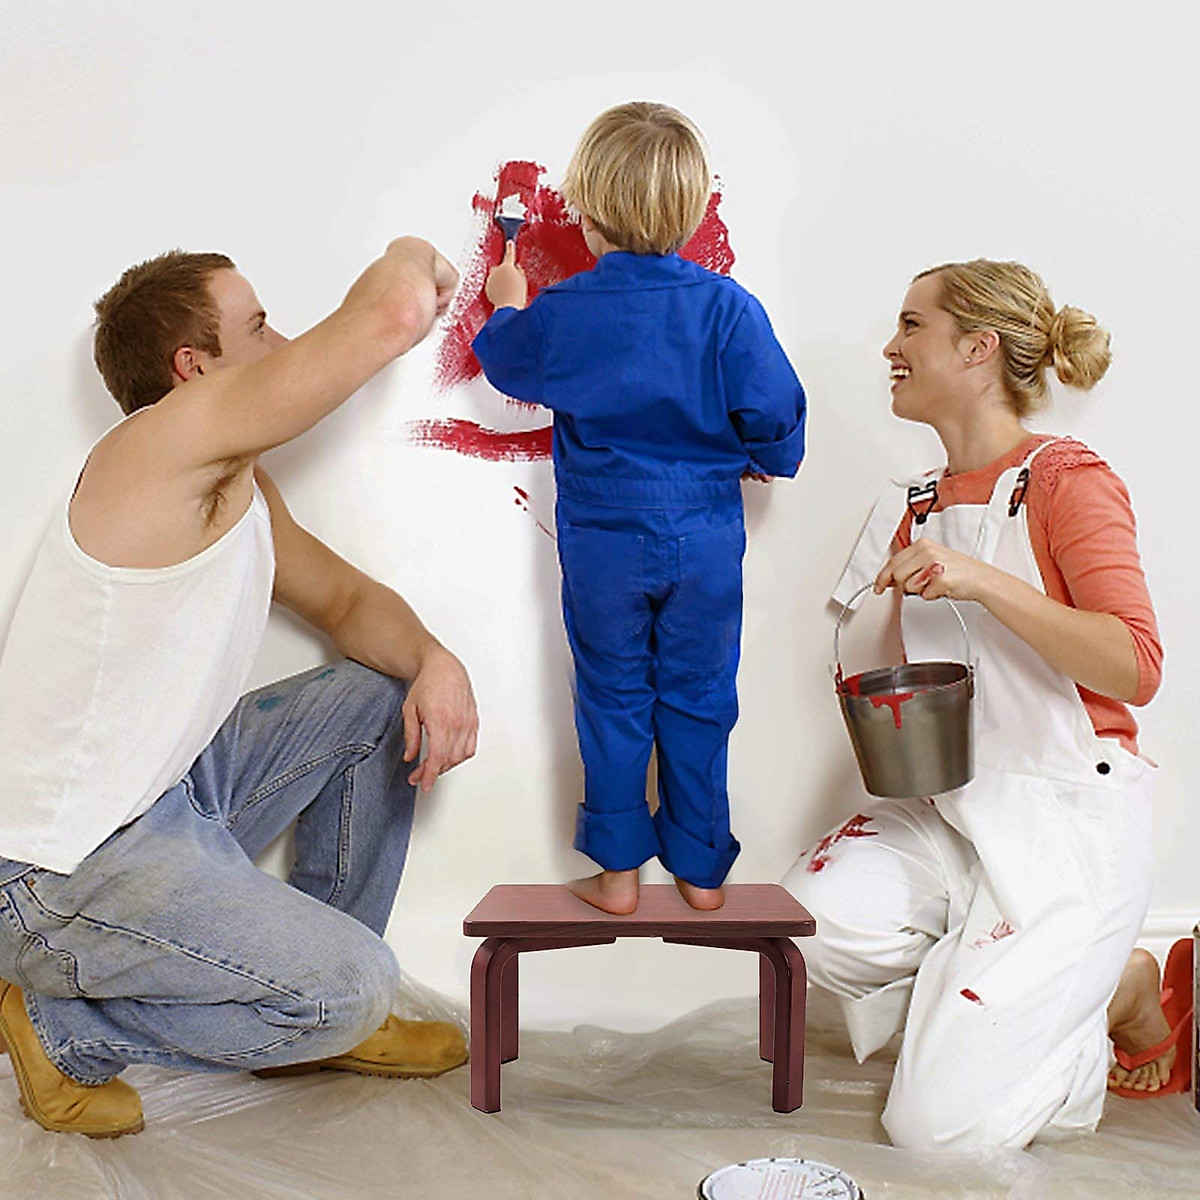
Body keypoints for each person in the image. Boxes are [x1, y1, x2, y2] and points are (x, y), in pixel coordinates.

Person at [0, 238, 480, 1138]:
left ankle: (315, 1017)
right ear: (193, 369)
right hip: (55, 870)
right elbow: (392, 313)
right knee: (355, 987)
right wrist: (421, 253)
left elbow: (348, 604)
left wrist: (433, 660)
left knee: (378, 696)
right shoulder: (152, 449)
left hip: (166, 798)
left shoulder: (236, 488)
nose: (283, 343)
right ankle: (61, 1029)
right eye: (258, 326)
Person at [783, 258, 1177, 1151]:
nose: (890, 347)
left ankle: (1111, 988)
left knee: (939, 1136)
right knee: (806, 929)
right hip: (954, 811)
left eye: (911, 326)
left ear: (978, 348)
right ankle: (1012, 986)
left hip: (1063, 825)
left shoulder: (1067, 479)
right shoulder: (917, 504)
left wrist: (984, 581)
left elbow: (1136, 666)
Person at [474, 102, 806, 915]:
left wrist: (508, 302)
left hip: (602, 542)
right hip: (704, 537)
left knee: (612, 694)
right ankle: (701, 871)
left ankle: (619, 874)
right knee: (700, 696)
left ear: (586, 209)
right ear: (691, 211)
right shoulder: (729, 309)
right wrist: (764, 456)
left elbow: (507, 366)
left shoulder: (565, 311)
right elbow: (777, 421)